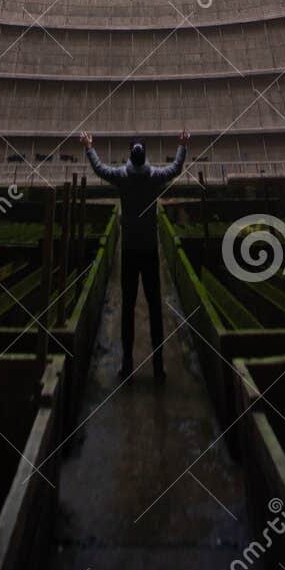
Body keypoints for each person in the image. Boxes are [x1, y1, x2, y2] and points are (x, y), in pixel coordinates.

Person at [79, 128, 190, 381]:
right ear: (145, 155)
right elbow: (175, 168)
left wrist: (89, 146)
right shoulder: (154, 177)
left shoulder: (122, 176)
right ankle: (159, 365)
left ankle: (127, 363)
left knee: (128, 308)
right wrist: (182, 146)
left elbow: (99, 169)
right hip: (149, 250)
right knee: (154, 308)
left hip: (129, 250)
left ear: (130, 154)